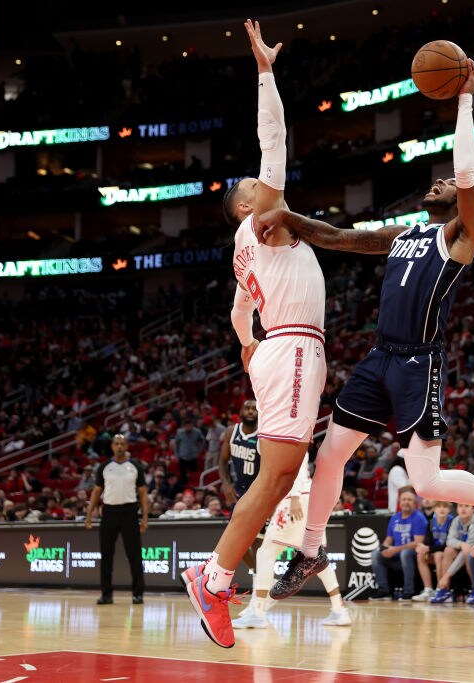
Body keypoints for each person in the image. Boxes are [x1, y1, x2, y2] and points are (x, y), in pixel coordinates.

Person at [264, 58, 474, 602]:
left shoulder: (463, 235)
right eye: (437, 179)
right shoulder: (405, 233)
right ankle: (310, 549)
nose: (440, 180)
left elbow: (466, 175)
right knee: (328, 455)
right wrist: (289, 219)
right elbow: (339, 237)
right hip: (379, 359)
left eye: (446, 181)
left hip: (419, 362)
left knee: (425, 483)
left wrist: (465, 100)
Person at [181, 19, 329, 650]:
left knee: (279, 475)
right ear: (247, 207)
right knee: (274, 479)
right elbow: (276, 145)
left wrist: (248, 351)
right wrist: (265, 73)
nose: (264, 186)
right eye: (254, 189)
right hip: (293, 347)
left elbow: (239, 313)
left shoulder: (248, 253)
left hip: (281, 349)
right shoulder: (263, 225)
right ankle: (213, 577)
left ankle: (219, 574)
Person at [231, 452, 351, 628]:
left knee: (265, 552)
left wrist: (294, 498)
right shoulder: (293, 430)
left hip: (297, 498)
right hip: (308, 497)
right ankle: (339, 610)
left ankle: (257, 611)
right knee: (314, 557)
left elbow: (298, 464)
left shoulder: (287, 430)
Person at [85, 434, 149, 605]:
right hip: (109, 512)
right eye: (116, 444)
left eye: (122, 443)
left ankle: (138, 594)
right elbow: (96, 492)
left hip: (129, 512)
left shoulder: (135, 466)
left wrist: (144, 517)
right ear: (112, 446)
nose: (119, 446)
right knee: (106, 555)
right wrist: (89, 514)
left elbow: (143, 493)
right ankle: (106, 594)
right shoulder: (104, 467)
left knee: (134, 554)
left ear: (127, 446)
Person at [217, 399, 263, 570]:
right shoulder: (231, 432)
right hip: (239, 491)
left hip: (259, 492)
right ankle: (259, 574)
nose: (251, 411)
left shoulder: (263, 435)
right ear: (241, 412)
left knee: (258, 543)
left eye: (254, 409)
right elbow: (222, 462)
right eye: (247, 408)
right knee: (236, 542)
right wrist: (226, 484)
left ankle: (261, 584)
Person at [369, 487, 427, 600]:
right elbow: (389, 539)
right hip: (395, 557)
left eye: (409, 500)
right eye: (404, 499)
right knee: (375, 554)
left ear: (415, 503)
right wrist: (384, 549)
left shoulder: (419, 518)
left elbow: (418, 543)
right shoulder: (394, 518)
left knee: (406, 553)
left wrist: (395, 549)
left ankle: (409, 591)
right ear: (400, 502)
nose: (406, 502)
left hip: (412, 557)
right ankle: (384, 590)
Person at [429, 502, 474, 603]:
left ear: (473, 509)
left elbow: (468, 548)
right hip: (466, 550)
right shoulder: (456, 520)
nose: (463, 509)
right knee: (448, 550)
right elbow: (449, 540)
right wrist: (461, 544)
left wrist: (447, 575)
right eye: (460, 506)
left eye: (467, 506)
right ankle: (444, 590)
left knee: (468, 552)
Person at [414, 500, 454, 601]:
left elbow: (449, 544)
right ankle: (428, 589)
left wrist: (429, 548)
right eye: (439, 506)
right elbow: (428, 542)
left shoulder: (452, 522)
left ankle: (441, 589)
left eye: (445, 507)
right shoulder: (431, 522)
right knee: (420, 554)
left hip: (450, 554)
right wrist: (422, 547)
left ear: (449, 509)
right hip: (436, 552)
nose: (441, 509)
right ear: (434, 509)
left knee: (439, 555)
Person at [174, 416, 204, 482]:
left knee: (193, 473)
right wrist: (177, 454)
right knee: (183, 473)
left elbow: (202, 441)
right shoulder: (180, 432)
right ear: (184, 426)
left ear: (192, 425)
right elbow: (176, 443)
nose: (188, 427)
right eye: (186, 426)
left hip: (193, 455)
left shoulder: (197, 432)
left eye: (190, 425)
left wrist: (199, 450)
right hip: (182, 455)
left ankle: (193, 484)